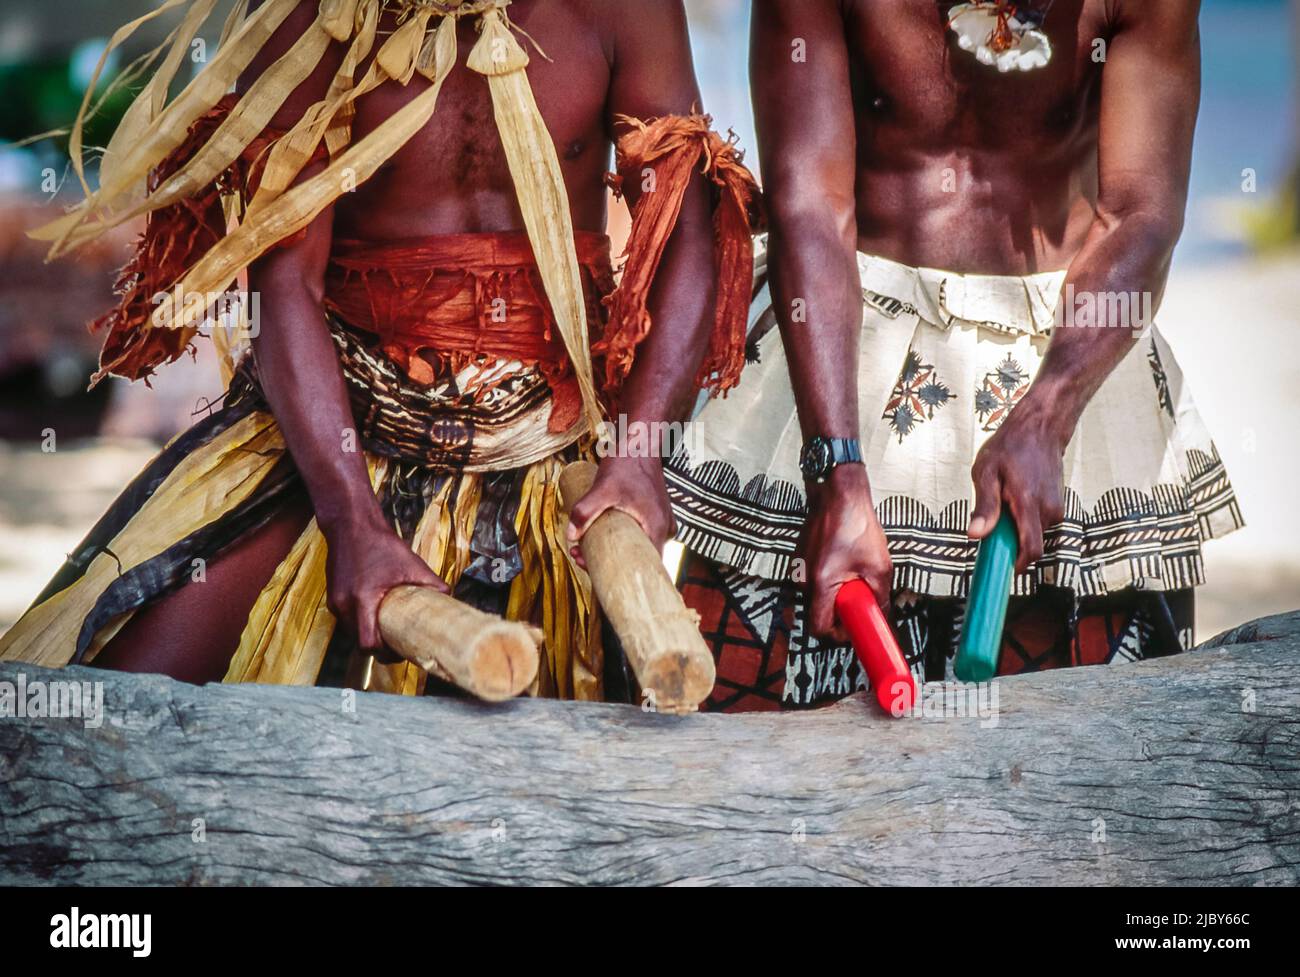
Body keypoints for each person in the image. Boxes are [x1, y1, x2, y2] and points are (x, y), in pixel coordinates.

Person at [1, 0, 758, 701]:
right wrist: (349, 517)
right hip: (336, 431)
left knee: (566, 791)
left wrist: (639, 449)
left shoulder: (622, 7)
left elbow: (685, 225)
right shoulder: (316, 18)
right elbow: (283, 282)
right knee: (98, 708)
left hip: (553, 445)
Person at [666, 0, 1242, 711]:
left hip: (1073, 372)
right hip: (826, 379)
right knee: (747, 769)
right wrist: (836, 470)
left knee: (1081, 774)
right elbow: (812, 205)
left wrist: (1047, 414)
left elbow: (1140, 214)